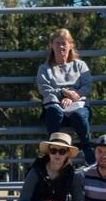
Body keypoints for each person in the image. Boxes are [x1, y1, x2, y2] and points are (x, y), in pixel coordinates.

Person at [37, 28, 95, 165]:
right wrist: (63, 93)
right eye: (57, 43)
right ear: (51, 45)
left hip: (77, 105)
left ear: (70, 45)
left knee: (79, 116)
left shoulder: (80, 66)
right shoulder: (44, 69)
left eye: (64, 43)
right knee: (54, 112)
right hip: (56, 108)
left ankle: (87, 150)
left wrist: (75, 95)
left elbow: (87, 85)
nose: (61, 47)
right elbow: (45, 89)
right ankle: (53, 151)